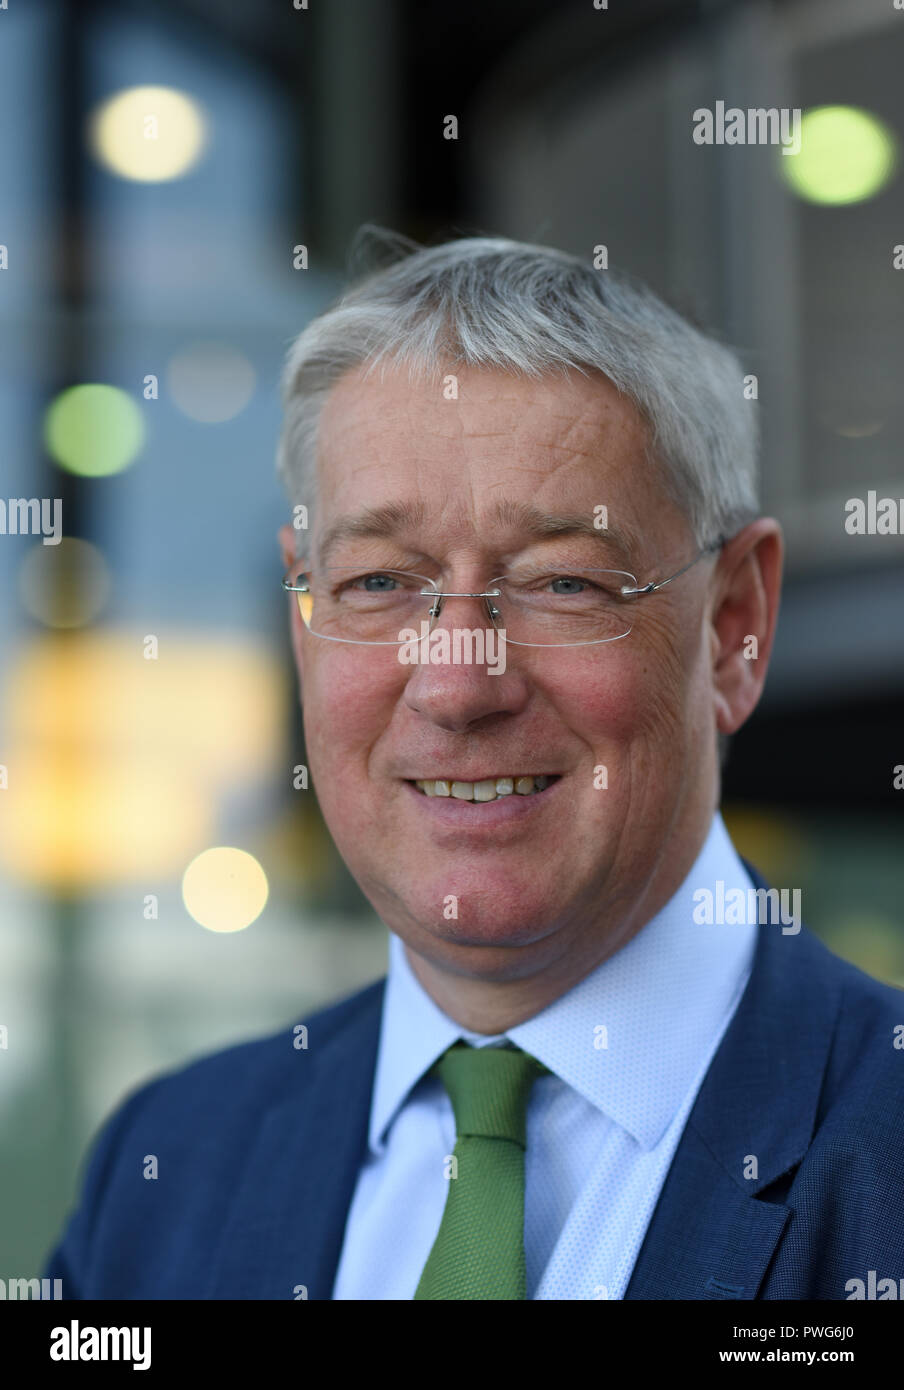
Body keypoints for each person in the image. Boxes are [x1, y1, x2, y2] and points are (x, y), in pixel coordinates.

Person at [45, 229, 904, 1300]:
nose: (456, 684)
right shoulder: (166, 1171)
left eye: (562, 584)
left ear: (734, 625)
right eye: (378, 583)